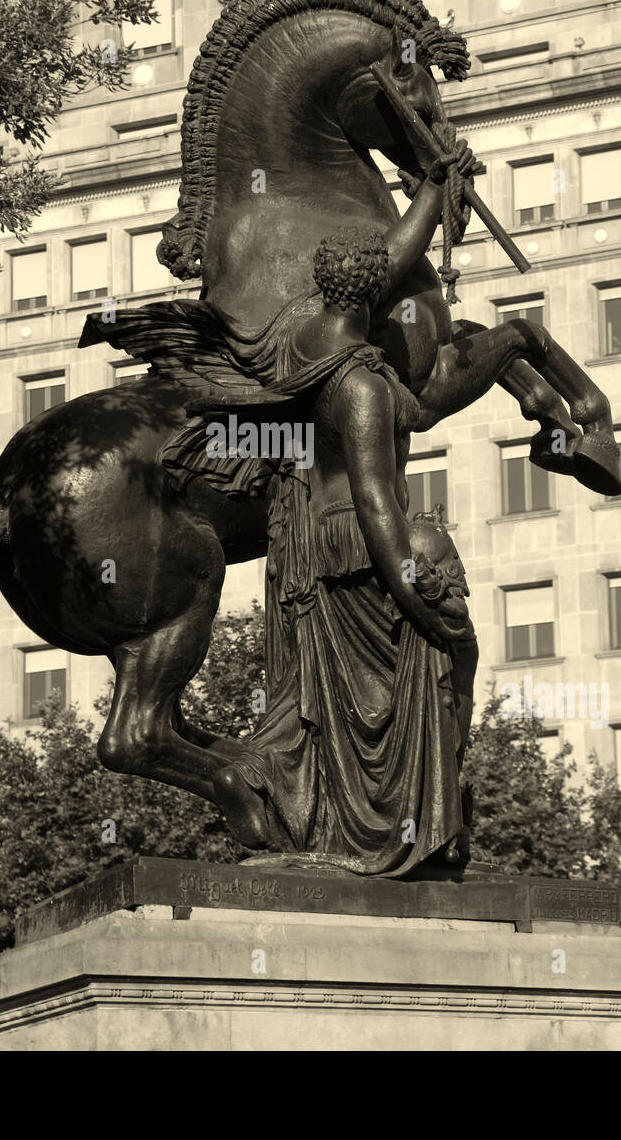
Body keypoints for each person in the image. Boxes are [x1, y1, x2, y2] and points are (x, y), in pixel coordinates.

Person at [206, 222, 479, 876]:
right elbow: (378, 503)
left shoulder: (306, 343)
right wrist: (413, 588)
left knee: (356, 701)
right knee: (450, 648)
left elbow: (412, 413)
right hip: (361, 543)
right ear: (373, 294)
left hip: (319, 543)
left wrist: (434, 191)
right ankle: (407, 824)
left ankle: (359, 819)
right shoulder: (361, 387)